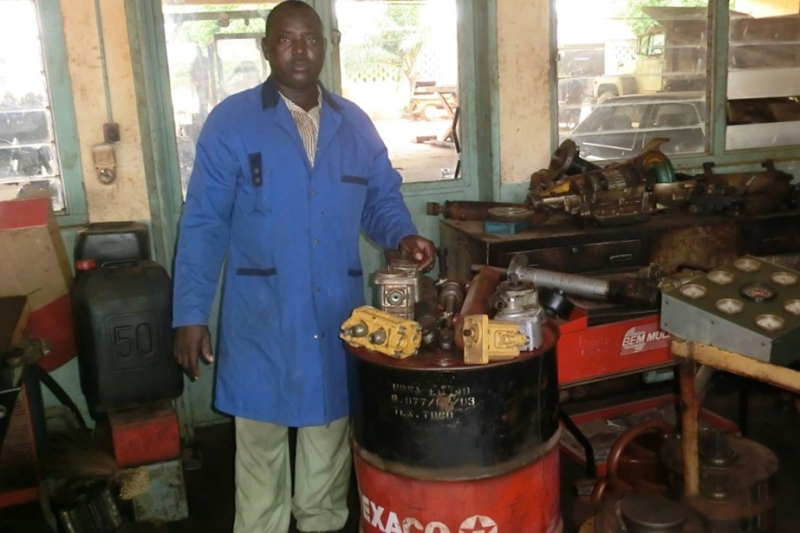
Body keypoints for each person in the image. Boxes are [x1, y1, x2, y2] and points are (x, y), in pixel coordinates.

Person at [171, 2, 436, 533]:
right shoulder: (232, 123)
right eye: (286, 39)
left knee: (327, 445)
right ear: (266, 48)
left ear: (327, 46)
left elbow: (381, 198)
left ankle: (319, 522)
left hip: (336, 312)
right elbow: (203, 223)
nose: (299, 50)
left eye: (310, 39)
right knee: (260, 450)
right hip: (262, 316)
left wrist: (402, 235)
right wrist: (189, 314)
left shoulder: (354, 125)